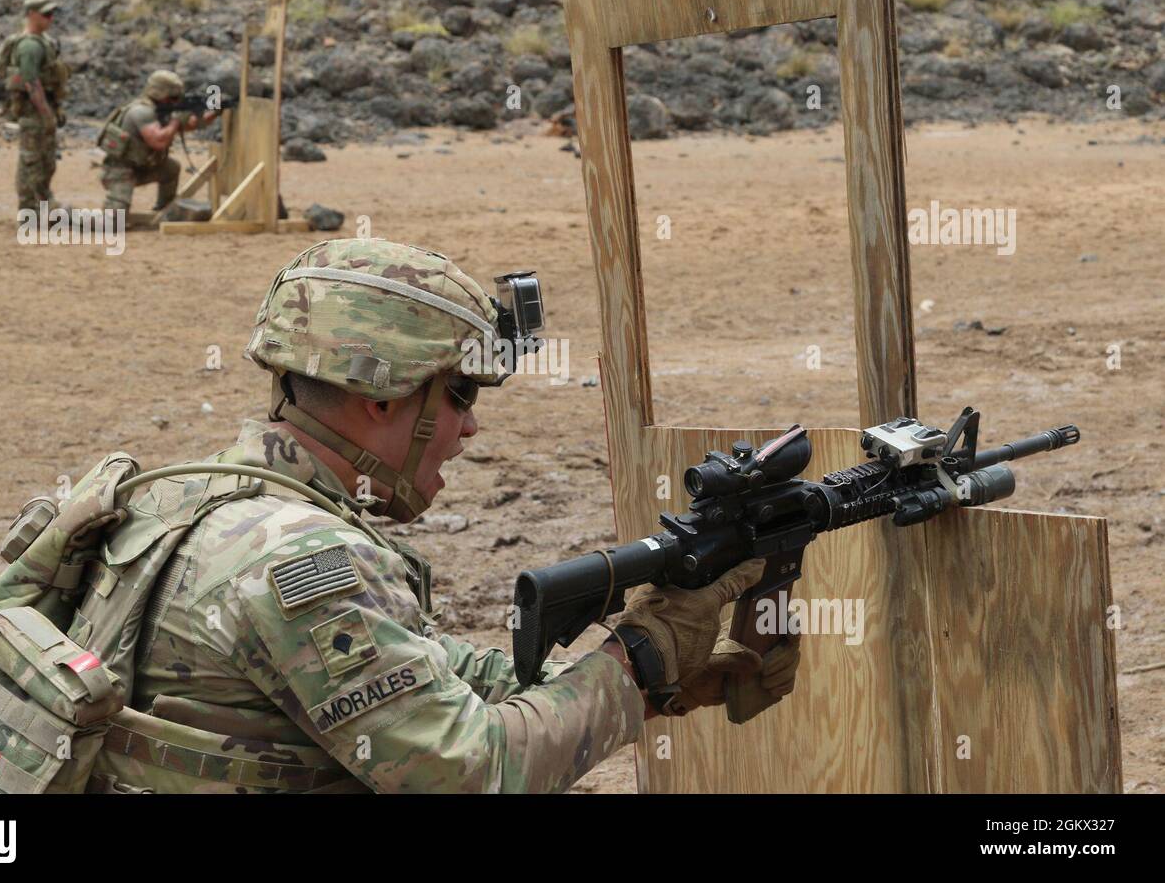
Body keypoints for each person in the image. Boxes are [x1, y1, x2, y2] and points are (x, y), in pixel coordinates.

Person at [82, 238, 802, 793]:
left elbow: (420, 676)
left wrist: (650, 690)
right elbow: (471, 772)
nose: (470, 429)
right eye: (460, 395)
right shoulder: (299, 558)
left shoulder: (185, 496)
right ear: (385, 397)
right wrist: (640, 659)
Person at [96, 70, 219, 216]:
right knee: (113, 222)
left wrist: (215, 111)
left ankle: (164, 210)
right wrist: (176, 120)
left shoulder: (162, 110)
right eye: (173, 97)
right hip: (120, 172)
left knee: (171, 168)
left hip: (142, 167)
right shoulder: (141, 111)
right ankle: (71, 216)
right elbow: (158, 142)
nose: (176, 100)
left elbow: (191, 124)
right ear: (160, 93)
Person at [0, 0, 69, 212]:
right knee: (33, 161)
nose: (51, 18)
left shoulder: (44, 42)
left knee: (45, 160)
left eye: (52, 14)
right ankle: (30, 207)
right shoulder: (30, 46)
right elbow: (32, 83)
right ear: (31, 15)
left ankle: (40, 204)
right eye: (46, 14)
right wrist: (46, 114)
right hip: (34, 110)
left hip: (43, 106)